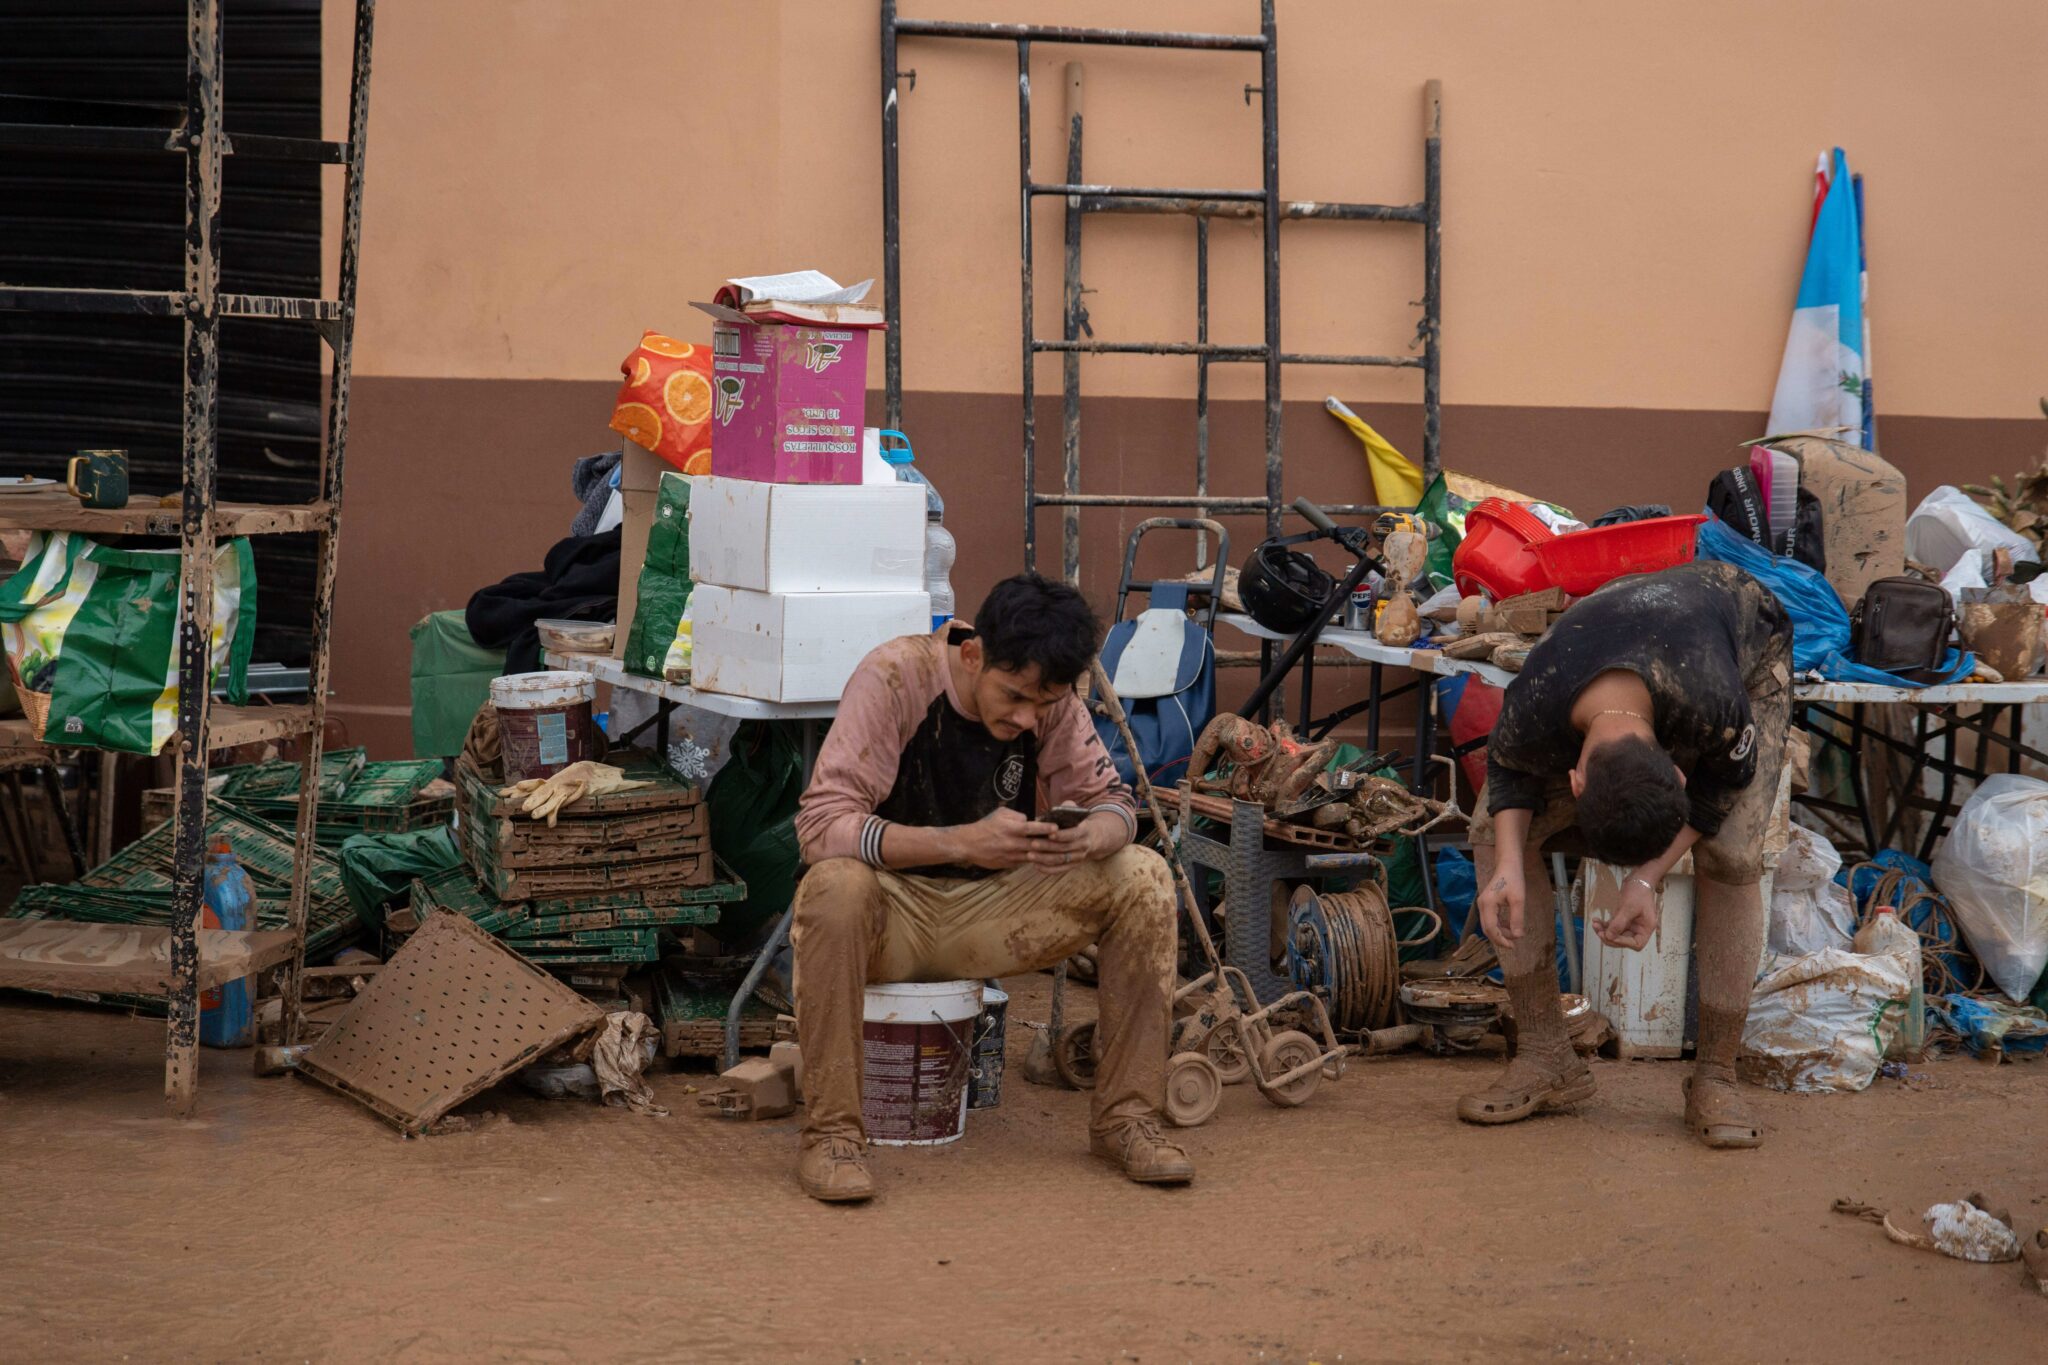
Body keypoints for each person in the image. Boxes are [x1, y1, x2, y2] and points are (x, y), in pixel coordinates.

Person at [789, 572, 1190, 1203]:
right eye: (1014, 696)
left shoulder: (1050, 702)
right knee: (834, 887)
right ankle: (833, 1135)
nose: (1028, 716)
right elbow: (819, 828)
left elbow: (1115, 801)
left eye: (1046, 702)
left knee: (1143, 874)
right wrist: (958, 842)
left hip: (998, 912)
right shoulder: (895, 676)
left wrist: (1094, 835)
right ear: (972, 653)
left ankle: (1127, 1117)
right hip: (892, 913)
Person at [1460, 559, 1791, 1148]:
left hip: (1747, 635)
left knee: (1733, 857)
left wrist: (1647, 879)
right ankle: (1545, 1055)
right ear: (1575, 778)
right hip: (1618, 628)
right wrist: (1506, 867)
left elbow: (1719, 792)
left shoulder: (1716, 706)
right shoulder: (1537, 696)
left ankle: (1716, 1073)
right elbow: (1509, 770)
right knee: (1494, 827)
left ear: (1677, 767)